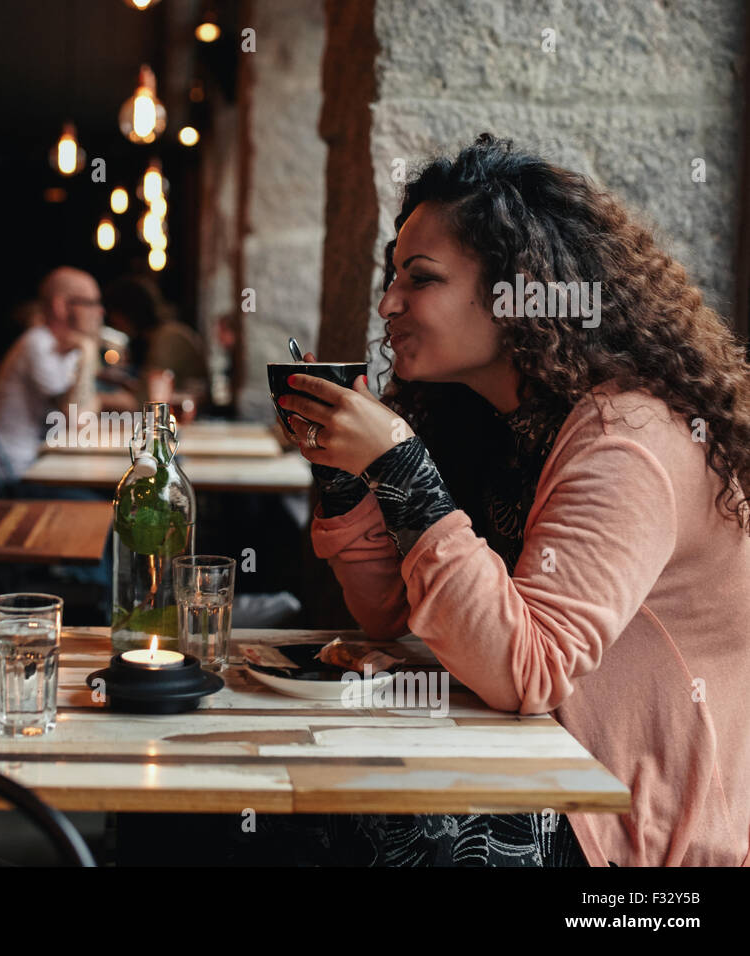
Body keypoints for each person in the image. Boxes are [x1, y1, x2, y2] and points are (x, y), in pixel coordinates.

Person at [277, 134, 750, 866]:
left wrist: (399, 465)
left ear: (516, 294)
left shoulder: (627, 437)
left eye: (420, 278)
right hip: (538, 768)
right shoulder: (488, 419)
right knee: (291, 792)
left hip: (629, 833)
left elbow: (527, 670)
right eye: (393, 275)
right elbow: (397, 614)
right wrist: (349, 478)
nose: (388, 301)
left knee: (356, 820)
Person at [0, 266, 113, 480]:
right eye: (91, 303)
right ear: (60, 306)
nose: (100, 311)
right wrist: (89, 352)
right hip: (17, 473)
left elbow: (84, 413)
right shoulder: (37, 342)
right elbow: (77, 422)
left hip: (43, 463)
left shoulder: (66, 349)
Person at [103, 274, 210, 407]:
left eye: (114, 313)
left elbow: (148, 400)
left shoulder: (169, 338)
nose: (113, 321)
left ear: (129, 311)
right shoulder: (162, 335)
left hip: (189, 420)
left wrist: (97, 400)